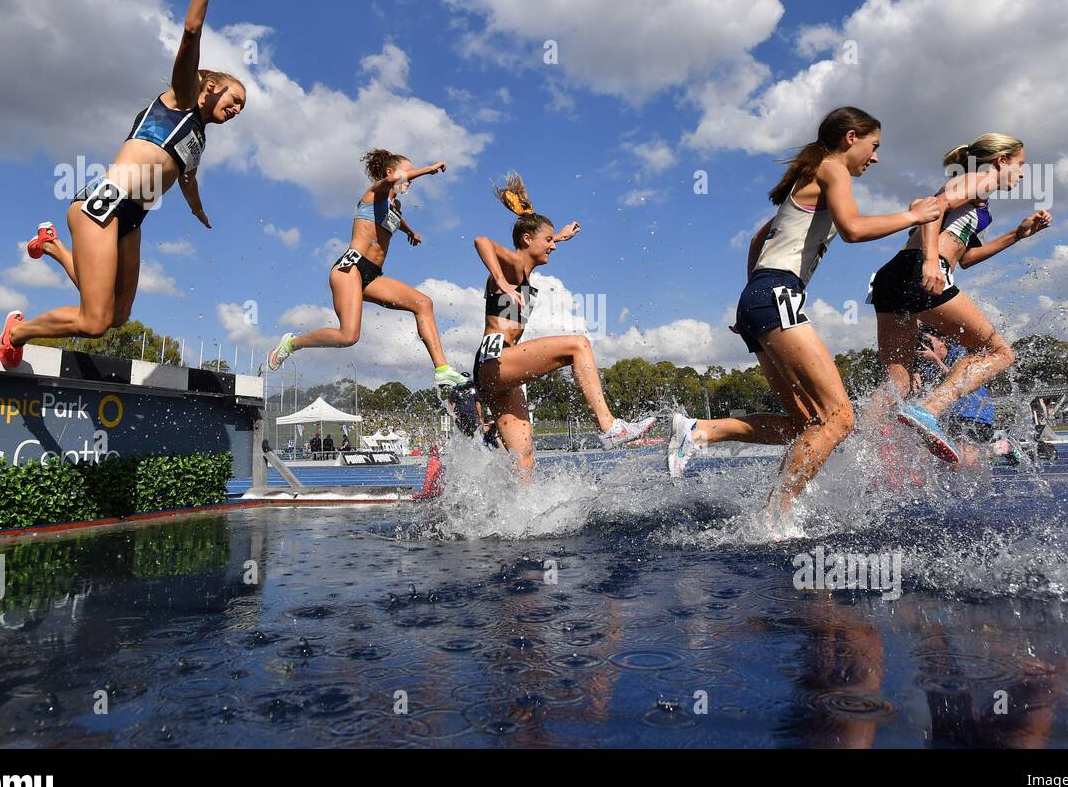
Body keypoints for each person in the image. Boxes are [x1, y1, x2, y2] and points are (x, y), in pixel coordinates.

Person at [666, 107, 947, 526]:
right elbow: (852, 229)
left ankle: (702, 431)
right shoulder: (833, 168)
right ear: (851, 137)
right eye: (874, 147)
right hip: (776, 293)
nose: (875, 158)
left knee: (803, 423)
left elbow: (761, 236)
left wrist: (752, 293)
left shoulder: (814, 173)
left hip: (763, 296)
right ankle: (775, 517)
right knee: (840, 417)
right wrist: (914, 216)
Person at [0, 0, 246, 366]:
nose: (238, 109)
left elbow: (186, 177)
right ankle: (17, 332)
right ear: (211, 86)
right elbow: (191, 32)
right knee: (93, 321)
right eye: (236, 98)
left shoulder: (198, 137)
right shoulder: (183, 98)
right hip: (105, 202)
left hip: (132, 218)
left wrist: (197, 208)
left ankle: (52, 246)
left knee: (115, 317)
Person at [867, 133, 1051, 463]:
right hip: (922, 269)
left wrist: (1018, 235)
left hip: (893, 276)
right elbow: (933, 207)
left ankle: (852, 438)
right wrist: (929, 260)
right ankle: (929, 410)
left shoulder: (980, 201)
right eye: (1021, 165)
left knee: (899, 382)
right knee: (998, 352)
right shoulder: (977, 179)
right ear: (1001, 161)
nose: (1023, 174)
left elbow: (966, 258)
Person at [471, 175, 655, 478]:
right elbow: (482, 241)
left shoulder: (524, 270)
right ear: (528, 240)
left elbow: (539, 245)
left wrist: (561, 236)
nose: (552, 248)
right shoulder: (514, 266)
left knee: (524, 458)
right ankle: (609, 426)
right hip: (498, 360)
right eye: (548, 241)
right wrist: (502, 281)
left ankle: (511, 519)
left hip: (496, 371)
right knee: (578, 344)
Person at [265, 150, 471, 389]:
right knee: (348, 336)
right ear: (390, 173)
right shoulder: (374, 192)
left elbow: (394, 218)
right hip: (350, 267)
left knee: (423, 303)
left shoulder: (396, 205)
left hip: (373, 276)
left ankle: (443, 370)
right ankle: (292, 344)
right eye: (408, 176)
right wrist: (428, 169)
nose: (410, 181)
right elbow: (393, 184)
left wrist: (410, 232)